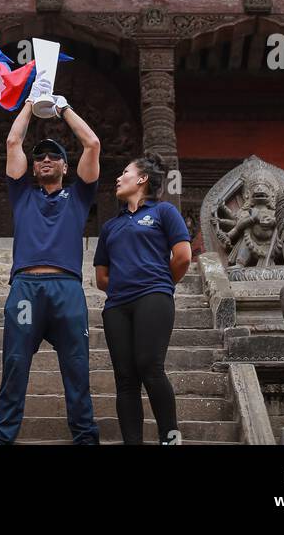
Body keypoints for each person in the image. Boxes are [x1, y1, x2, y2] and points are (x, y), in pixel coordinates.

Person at [0, 87, 101, 445]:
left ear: (66, 166)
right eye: (40, 158)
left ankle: (85, 438)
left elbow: (93, 144)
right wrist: (30, 104)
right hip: (26, 291)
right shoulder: (22, 194)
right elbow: (12, 142)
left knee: (77, 370)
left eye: (54, 156)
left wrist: (62, 106)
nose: (45, 160)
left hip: (67, 290)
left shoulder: (80, 195)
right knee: (15, 366)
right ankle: (2, 439)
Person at [94, 155, 192, 445]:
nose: (118, 177)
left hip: (154, 297)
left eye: (125, 172)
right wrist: (125, 285)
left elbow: (184, 256)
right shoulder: (110, 227)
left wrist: (159, 284)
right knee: (125, 379)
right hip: (116, 307)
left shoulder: (164, 212)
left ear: (142, 179)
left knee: (150, 366)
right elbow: (101, 277)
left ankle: (169, 439)